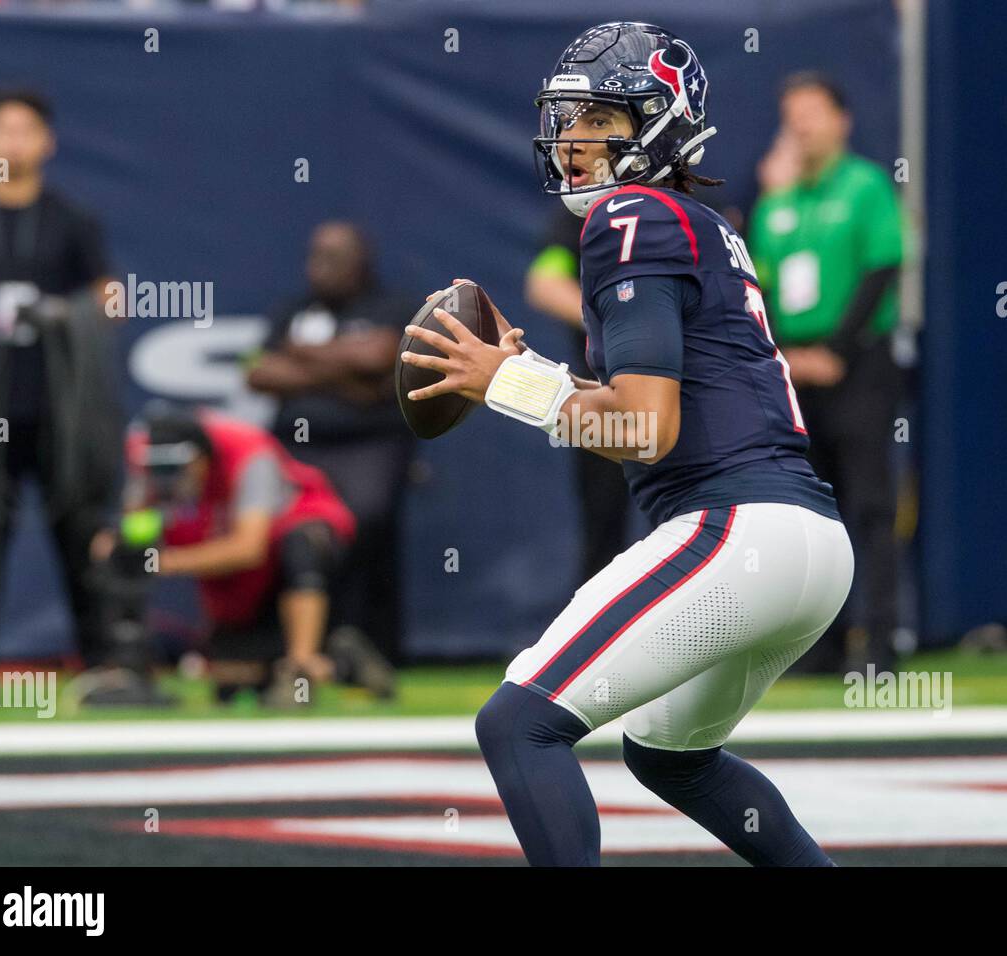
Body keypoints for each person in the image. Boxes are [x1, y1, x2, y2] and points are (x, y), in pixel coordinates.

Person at [399, 22, 853, 866]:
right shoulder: (699, 221)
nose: (573, 142)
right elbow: (651, 409)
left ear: (660, 122)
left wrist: (506, 384)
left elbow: (646, 426)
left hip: (734, 529)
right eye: (568, 119)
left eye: (600, 120)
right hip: (811, 544)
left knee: (518, 723)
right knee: (672, 756)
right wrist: (530, 370)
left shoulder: (631, 213)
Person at [0, 88, 120, 666]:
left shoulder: (72, 220)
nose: (13, 142)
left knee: (77, 532)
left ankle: (101, 665)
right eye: (3, 129)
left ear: (46, 143)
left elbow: (110, 296)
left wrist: (66, 314)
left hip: (58, 406)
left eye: (26, 130)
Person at [749, 72, 904, 674]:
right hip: (795, 365)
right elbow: (756, 283)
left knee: (869, 501)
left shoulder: (865, 186)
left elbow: (883, 267)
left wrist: (835, 350)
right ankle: (823, 646)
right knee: (811, 512)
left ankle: (884, 643)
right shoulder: (780, 198)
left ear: (842, 120)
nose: (803, 126)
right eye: (793, 115)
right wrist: (790, 350)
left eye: (813, 113)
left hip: (858, 360)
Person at [96, 404, 358, 703]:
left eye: (175, 468)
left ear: (201, 459)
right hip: (235, 581)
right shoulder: (144, 459)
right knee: (232, 682)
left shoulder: (250, 455)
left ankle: (301, 667)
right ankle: (343, 661)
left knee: (299, 545)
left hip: (293, 556)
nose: (166, 479)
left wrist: (164, 562)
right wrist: (122, 547)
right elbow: (133, 526)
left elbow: (249, 549)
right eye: (158, 468)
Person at [247, 222, 413, 685]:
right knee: (279, 528)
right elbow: (258, 373)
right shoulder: (293, 311)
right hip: (296, 450)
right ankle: (289, 652)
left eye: (333, 257)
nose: (319, 268)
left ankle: (359, 644)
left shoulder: (391, 307)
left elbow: (382, 358)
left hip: (369, 446)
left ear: (360, 262)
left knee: (362, 518)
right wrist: (347, 377)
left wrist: (302, 357)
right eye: (314, 256)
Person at [525, 208, 633, 580]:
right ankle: (606, 633)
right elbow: (544, 281)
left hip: (686, 394)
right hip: (602, 396)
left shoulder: (699, 205)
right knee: (601, 532)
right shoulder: (582, 213)